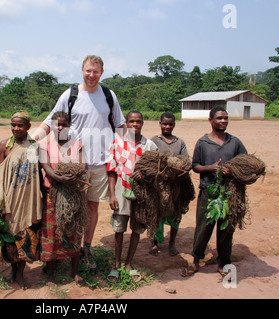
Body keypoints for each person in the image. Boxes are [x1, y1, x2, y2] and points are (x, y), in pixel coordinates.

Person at [34, 55, 126, 272]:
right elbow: (50, 120)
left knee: (92, 207)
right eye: (88, 71)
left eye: (95, 71)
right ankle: (63, 248)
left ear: (102, 72)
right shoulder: (70, 94)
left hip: (100, 162)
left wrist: (137, 147)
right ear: (82, 71)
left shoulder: (108, 95)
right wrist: (30, 140)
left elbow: (120, 125)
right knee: (69, 205)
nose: (91, 75)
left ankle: (85, 248)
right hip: (72, 163)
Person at [182, 106, 247, 278]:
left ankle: (223, 263)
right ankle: (195, 261)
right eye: (219, 118)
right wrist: (210, 168)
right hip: (208, 193)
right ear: (210, 120)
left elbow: (245, 163)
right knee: (203, 228)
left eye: (225, 118)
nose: (223, 121)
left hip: (229, 194)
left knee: (226, 230)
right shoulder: (203, 143)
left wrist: (232, 171)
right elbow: (195, 166)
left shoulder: (234, 142)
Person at [0, 111, 43, 290]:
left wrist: (44, 195)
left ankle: (20, 273)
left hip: (30, 200)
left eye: (20, 125)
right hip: (11, 199)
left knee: (27, 238)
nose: (16, 128)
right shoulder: (4, 145)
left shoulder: (35, 146)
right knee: (11, 238)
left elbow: (40, 175)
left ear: (28, 127)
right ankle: (13, 271)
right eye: (13, 125)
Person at [107, 110, 157, 282]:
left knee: (136, 229)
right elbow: (112, 171)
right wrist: (112, 195)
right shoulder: (117, 143)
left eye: (138, 121)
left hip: (142, 195)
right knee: (119, 229)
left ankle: (129, 264)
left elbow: (156, 171)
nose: (135, 125)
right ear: (126, 124)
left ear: (142, 123)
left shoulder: (149, 146)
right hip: (121, 191)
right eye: (131, 121)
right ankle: (116, 264)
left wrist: (145, 175)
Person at [39, 111, 86, 286]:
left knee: (74, 231)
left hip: (73, 196)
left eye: (64, 124)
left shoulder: (77, 145)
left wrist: (72, 175)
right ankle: (50, 273)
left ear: (69, 126)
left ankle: (74, 270)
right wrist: (59, 178)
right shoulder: (44, 146)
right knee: (51, 233)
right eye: (56, 124)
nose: (60, 127)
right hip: (52, 195)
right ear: (51, 126)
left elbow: (82, 165)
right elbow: (46, 168)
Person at [150, 112, 189, 257]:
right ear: (160, 124)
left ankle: (172, 244)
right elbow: (150, 161)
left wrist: (175, 169)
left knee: (175, 214)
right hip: (158, 186)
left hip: (175, 186)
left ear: (174, 124)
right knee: (155, 214)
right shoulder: (153, 141)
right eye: (165, 124)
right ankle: (154, 243)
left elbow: (185, 162)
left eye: (170, 124)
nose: (167, 126)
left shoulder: (180, 142)